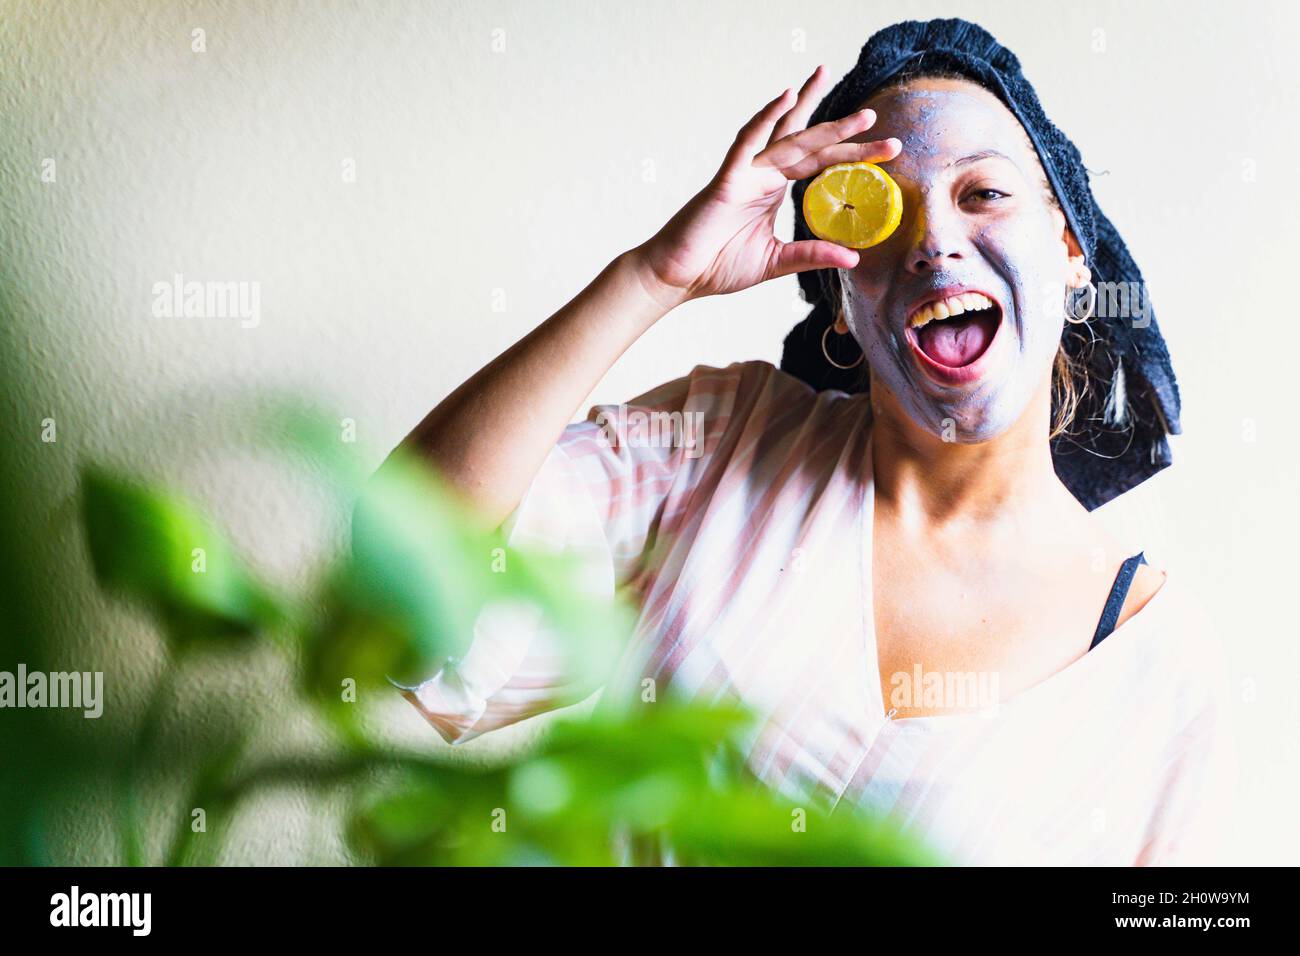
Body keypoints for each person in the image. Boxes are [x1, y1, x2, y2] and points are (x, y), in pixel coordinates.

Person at [373, 18, 1236, 865]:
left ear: (1070, 246)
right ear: (837, 292)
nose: (933, 240)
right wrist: (653, 279)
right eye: (879, 214)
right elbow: (398, 581)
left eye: (984, 193)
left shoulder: (1159, 669)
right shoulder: (719, 443)